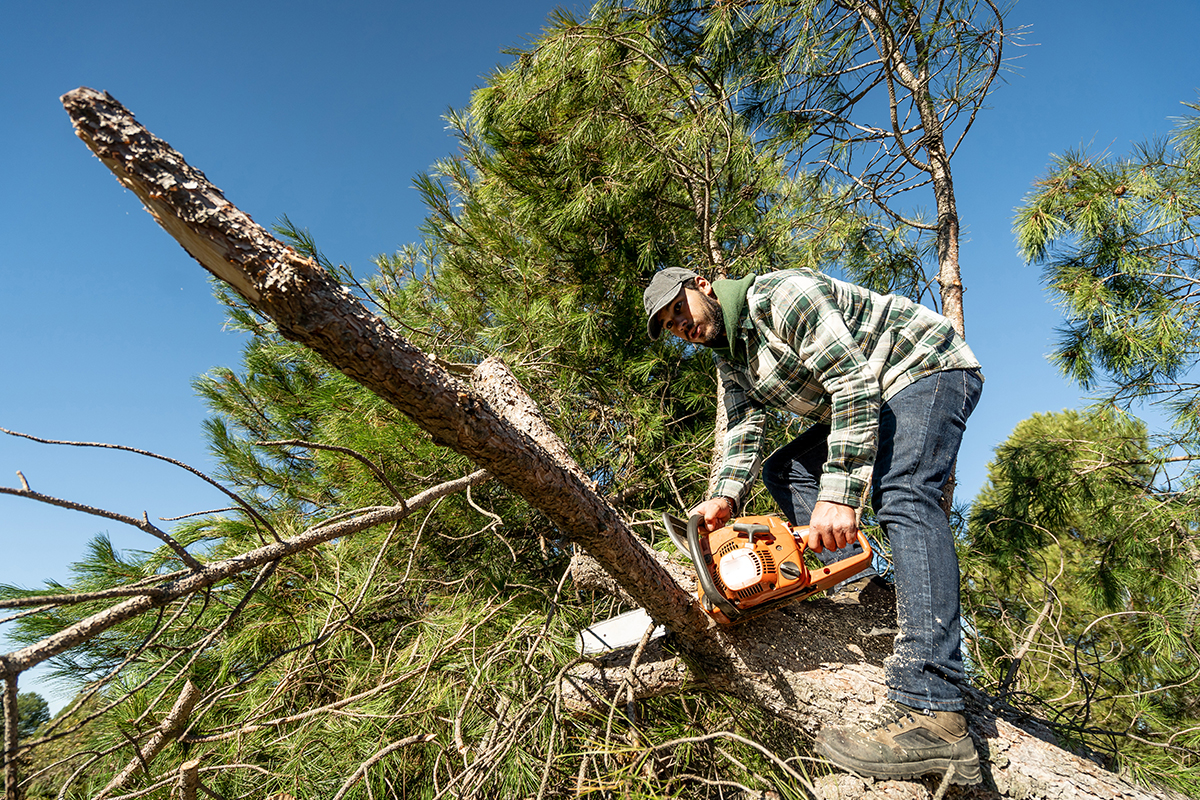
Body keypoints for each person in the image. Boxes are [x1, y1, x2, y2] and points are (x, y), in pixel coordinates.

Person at [644, 265, 984, 786]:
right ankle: (860, 586)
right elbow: (742, 428)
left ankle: (935, 709)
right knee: (787, 468)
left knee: (905, 494)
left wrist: (839, 494)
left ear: (703, 286)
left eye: (679, 310)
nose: (681, 326)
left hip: (922, 368)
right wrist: (723, 497)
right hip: (877, 390)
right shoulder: (730, 359)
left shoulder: (781, 295)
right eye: (671, 325)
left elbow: (851, 381)